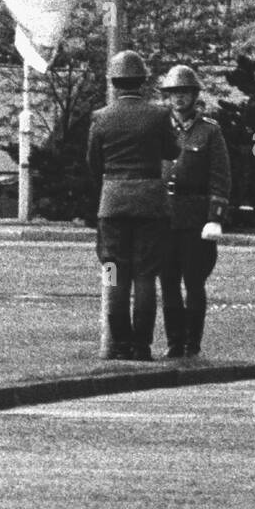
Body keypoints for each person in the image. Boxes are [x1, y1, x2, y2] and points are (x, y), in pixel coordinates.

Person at [87, 50, 179, 361]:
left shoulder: (100, 117)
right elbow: (172, 150)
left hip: (112, 204)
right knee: (145, 276)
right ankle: (141, 346)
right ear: (143, 81)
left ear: (113, 82)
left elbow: (93, 162)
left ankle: (119, 344)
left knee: (114, 274)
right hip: (151, 204)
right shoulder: (159, 115)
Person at [157, 64, 231, 361]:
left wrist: (215, 216)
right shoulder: (158, 128)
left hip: (195, 217)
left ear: (194, 96)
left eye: (184, 93)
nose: (178, 99)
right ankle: (174, 343)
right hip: (165, 215)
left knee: (194, 282)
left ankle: (192, 345)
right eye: (173, 93)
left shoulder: (209, 131)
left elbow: (220, 176)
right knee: (168, 283)